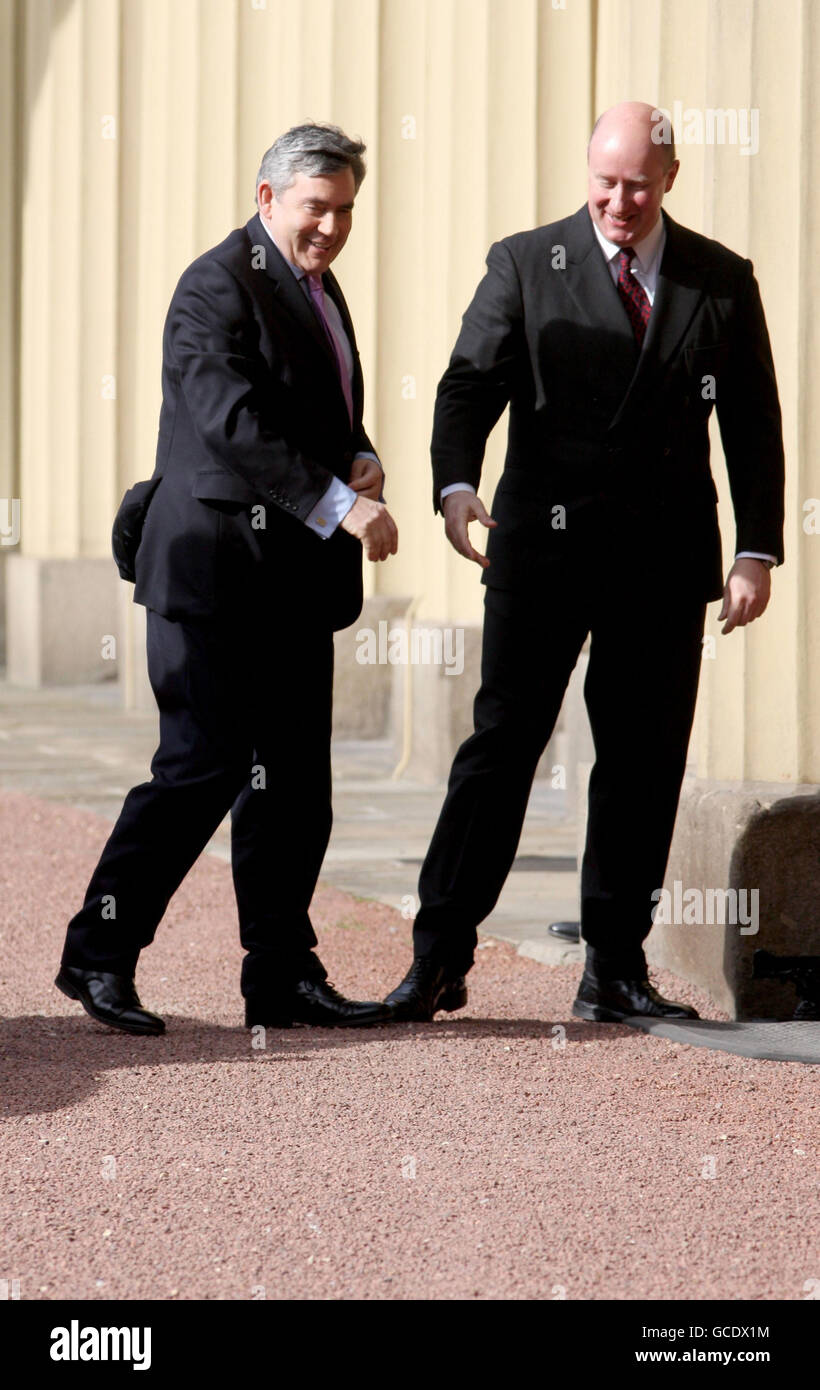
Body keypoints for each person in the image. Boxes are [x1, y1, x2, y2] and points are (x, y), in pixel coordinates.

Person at [384, 101, 784, 1024]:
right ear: (587, 174)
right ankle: (439, 954)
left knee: (644, 763)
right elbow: (468, 386)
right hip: (542, 554)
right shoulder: (526, 263)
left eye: (638, 184)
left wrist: (755, 550)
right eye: (605, 181)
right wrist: (453, 485)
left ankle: (615, 967)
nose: (619, 201)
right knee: (500, 752)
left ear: (671, 179)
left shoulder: (720, 280)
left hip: (665, 559)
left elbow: (753, 426)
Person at [57, 123, 398, 1035]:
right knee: (197, 772)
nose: (330, 226)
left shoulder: (321, 289)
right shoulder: (214, 285)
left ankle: (280, 975)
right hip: (210, 572)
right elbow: (231, 423)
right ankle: (98, 957)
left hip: (288, 583)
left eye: (345, 210)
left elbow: (317, 409)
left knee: (292, 787)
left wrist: (360, 458)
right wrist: (337, 503)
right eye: (315, 207)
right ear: (267, 199)